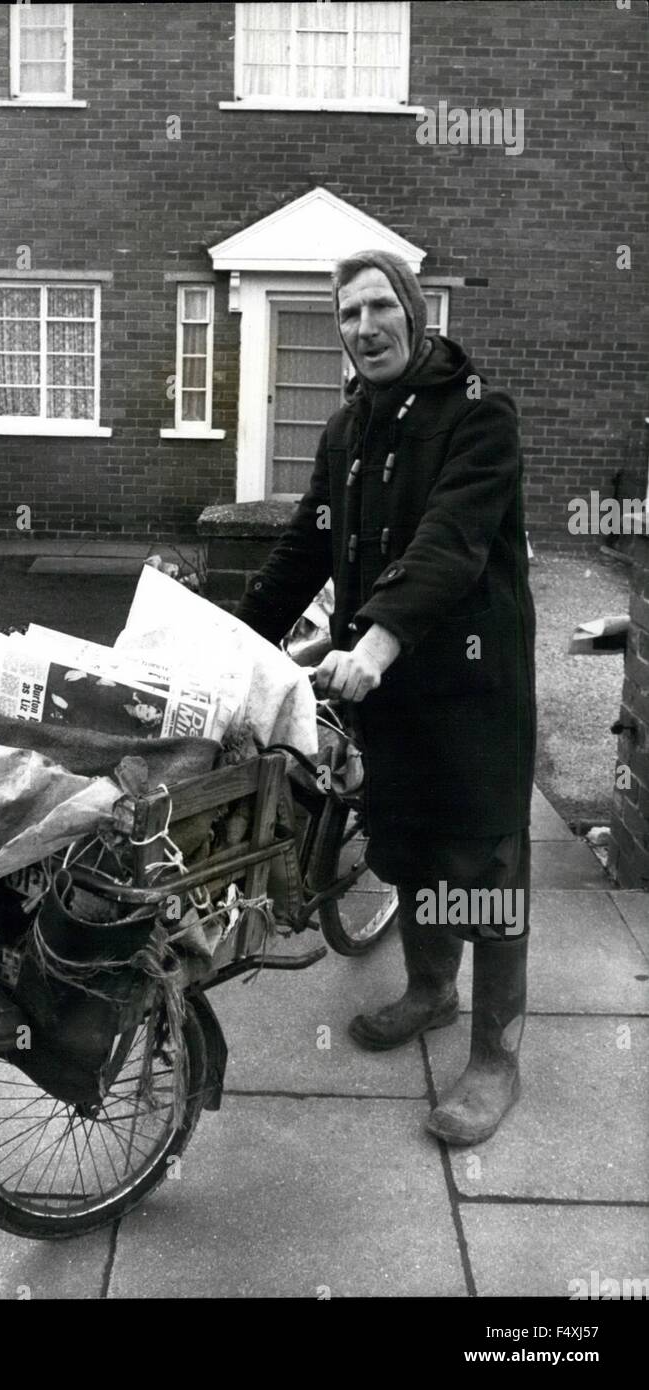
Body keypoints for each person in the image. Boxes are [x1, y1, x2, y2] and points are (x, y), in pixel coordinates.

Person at [235, 249, 536, 1146]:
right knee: (404, 843)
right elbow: (303, 552)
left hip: (470, 688)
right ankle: (431, 991)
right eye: (345, 315)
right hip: (389, 689)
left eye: (378, 308)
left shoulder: (479, 417)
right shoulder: (347, 429)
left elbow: (449, 543)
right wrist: (229, 645)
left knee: (483, 870)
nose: (363, 329)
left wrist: (376, 638)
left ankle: (494, 1058)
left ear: (413, 310)